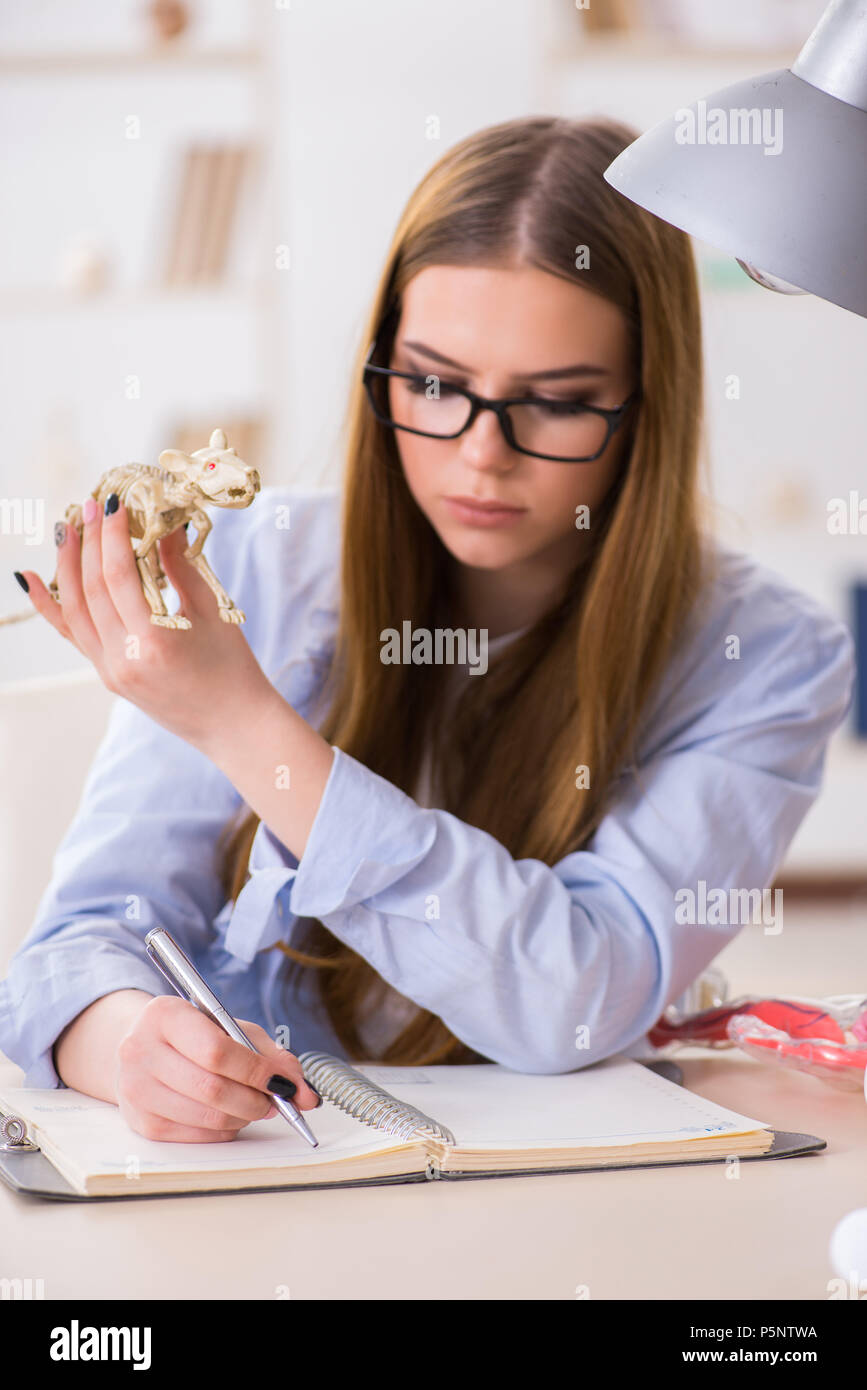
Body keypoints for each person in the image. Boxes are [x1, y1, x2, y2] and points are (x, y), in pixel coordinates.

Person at [0, 116, 854, 1145]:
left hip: (571, 1207)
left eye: (556, 402)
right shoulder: (258, 561)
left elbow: (577, 993)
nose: (483, 455)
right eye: (437, 384)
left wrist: (246, 729)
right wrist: (127, 1037)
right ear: (383, 365)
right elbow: (73, 951)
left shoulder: (768, 653)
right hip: (271, 1183)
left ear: (648, 402)